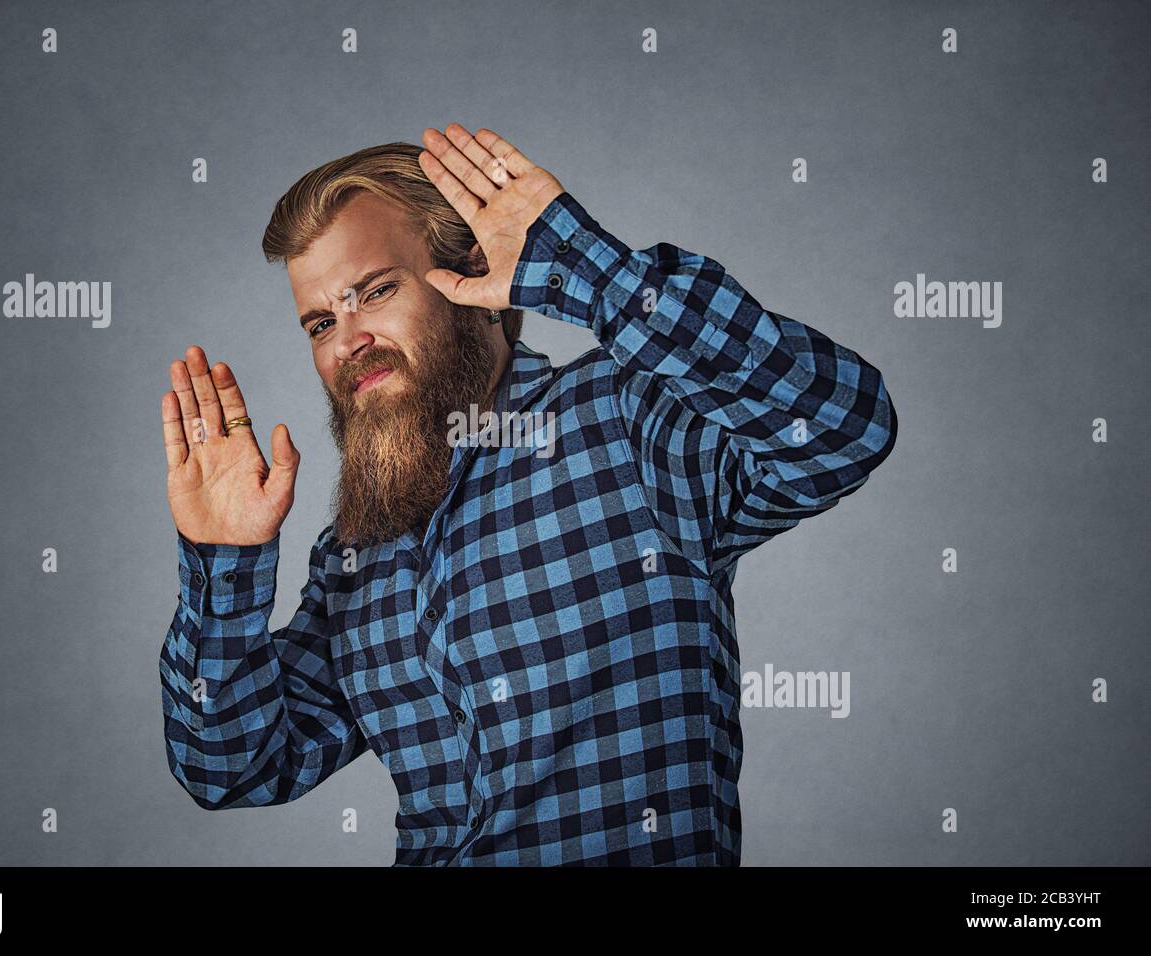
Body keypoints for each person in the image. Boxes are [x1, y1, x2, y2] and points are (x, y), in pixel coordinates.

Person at [158, 124, 897, 865]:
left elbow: (842, 426)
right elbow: (234, 769)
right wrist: (225, 565)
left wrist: (593, 273)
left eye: (375, 291)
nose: (347, 340)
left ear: (477, 277)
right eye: (322, 321)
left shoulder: (625, 420)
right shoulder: (356, 554)